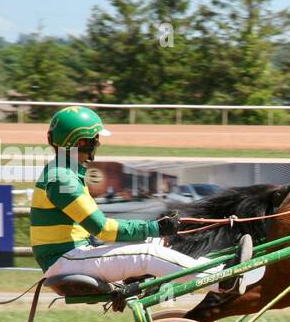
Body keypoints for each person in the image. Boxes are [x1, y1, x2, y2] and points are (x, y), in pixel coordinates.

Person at [32, 105, 261, 293]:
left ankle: (219, 270)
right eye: (95, 139)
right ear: (81, 142)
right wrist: (155, 227)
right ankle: (222, 279)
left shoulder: (66, 173)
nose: (99, 143)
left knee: (154, 245)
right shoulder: (62, 180)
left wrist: (155, 234)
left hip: (73, 255)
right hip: (65, 261)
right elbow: (103, 229)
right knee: (147, 253)